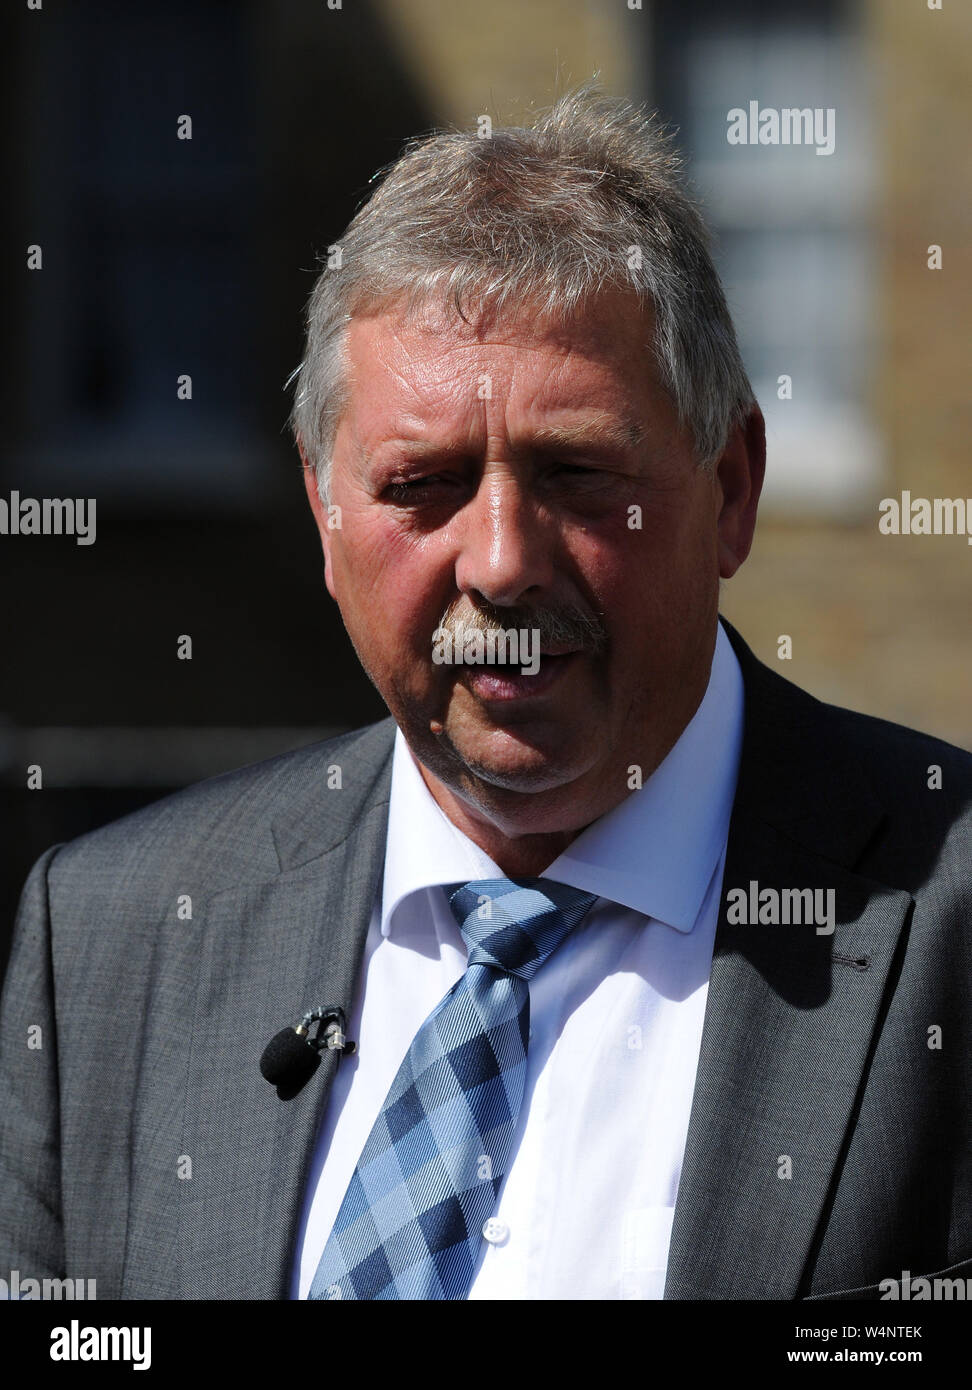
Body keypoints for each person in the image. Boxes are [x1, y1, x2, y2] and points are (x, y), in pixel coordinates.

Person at [1, 88, 969, 1302]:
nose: (501, 558)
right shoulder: (108, 941)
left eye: (575, 473)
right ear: (327, 513)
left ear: (729, 489)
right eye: (423, 484)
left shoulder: (948, 920)